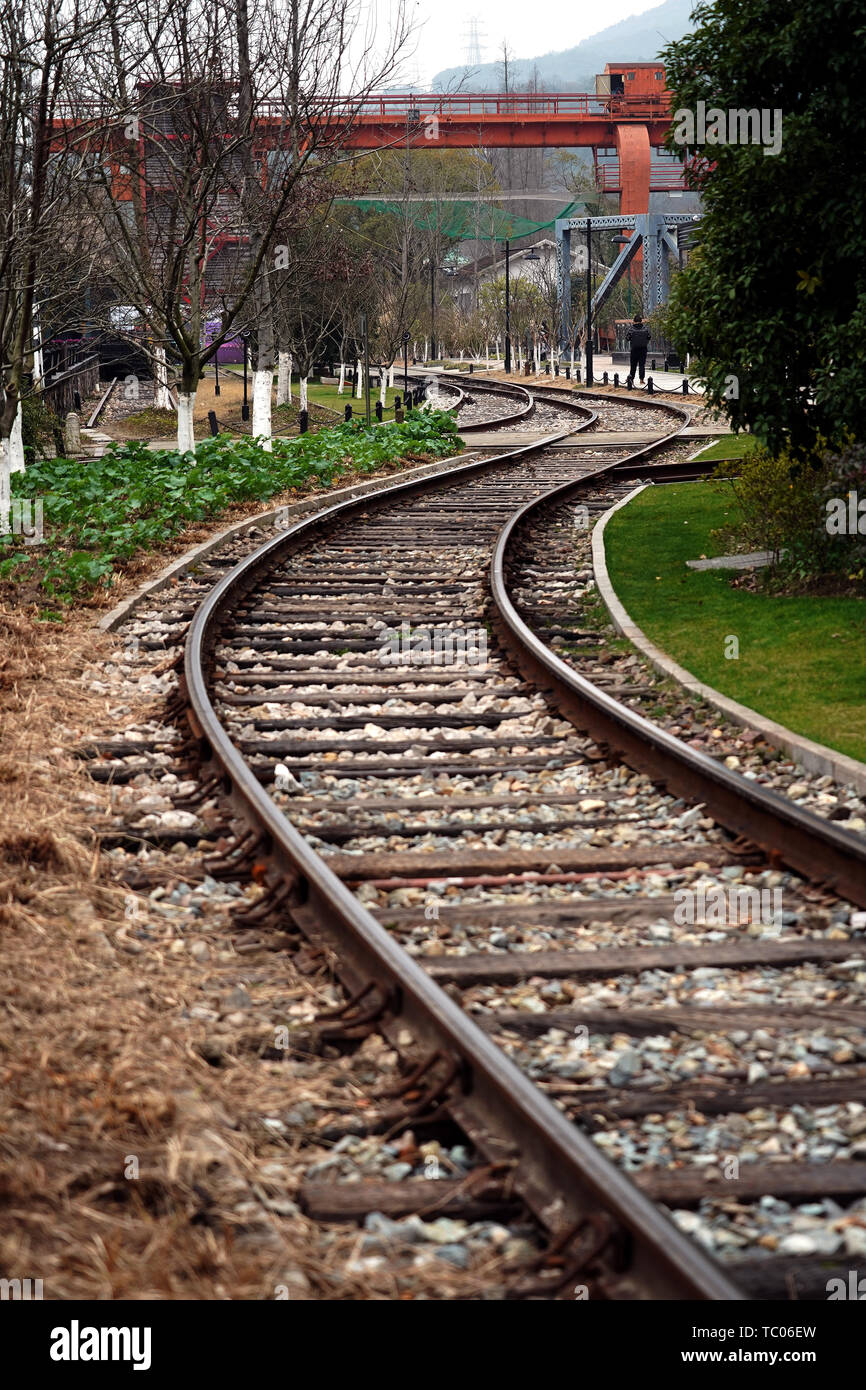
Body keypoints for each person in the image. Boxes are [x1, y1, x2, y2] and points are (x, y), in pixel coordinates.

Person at [626, 314, 651, 385]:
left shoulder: (631, 328)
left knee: (633, 365)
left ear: (634, 321)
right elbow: (649, 337)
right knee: (642, 365)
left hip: (634, 349)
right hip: (643, 349)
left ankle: (631, 379)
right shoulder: (645, 328)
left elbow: (627, 338)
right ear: (641, 321)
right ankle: (641, 379)